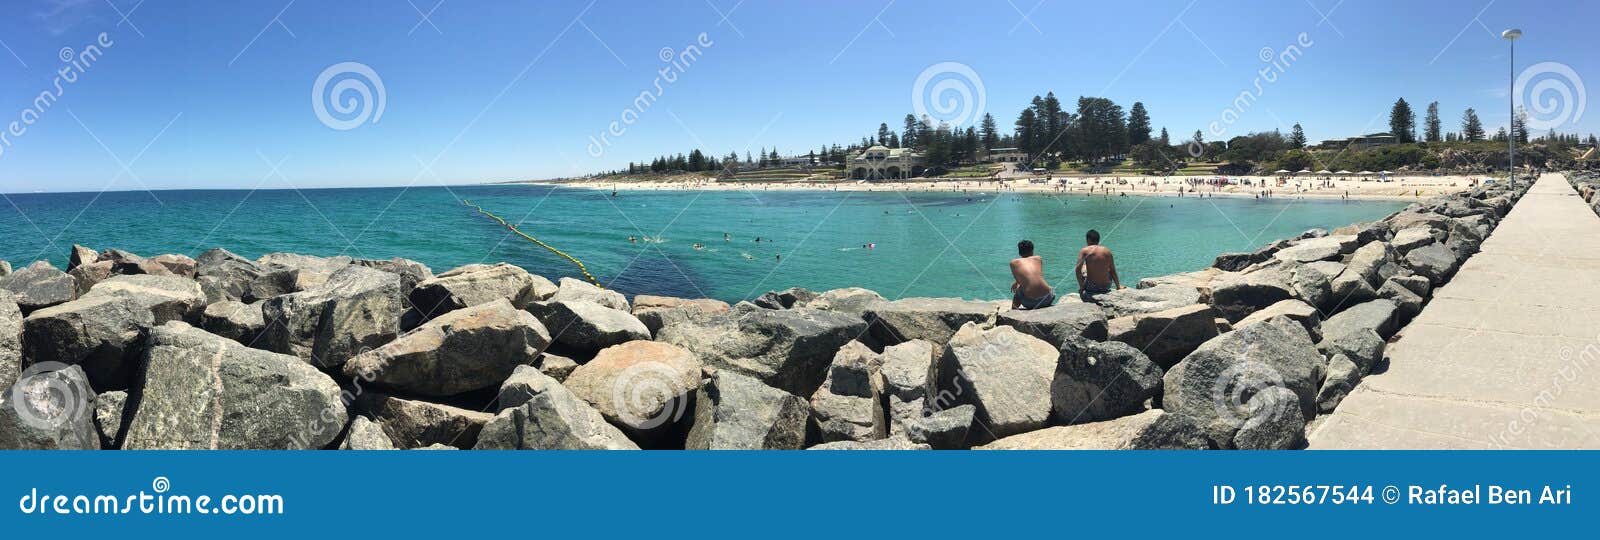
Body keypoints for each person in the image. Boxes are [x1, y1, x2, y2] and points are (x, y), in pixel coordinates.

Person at [1075, 229, 1123, 302]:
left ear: (1088, 240)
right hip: (1106, 287)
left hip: (1092, 288)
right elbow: (1113, 270)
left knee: (1083, 267)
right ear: (1098, 240)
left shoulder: (1084, 251)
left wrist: (1081, 287)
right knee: (1107, 268)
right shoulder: (1107, 251)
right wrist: (1118, 286)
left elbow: (1077, 270)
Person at [1009, 240, 1055, 310]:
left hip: (1030, 303)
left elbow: (1019, 281)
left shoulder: (1013, 263)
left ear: (1019, 252)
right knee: (1049, 287)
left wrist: (1016, 283)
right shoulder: (1038, 258)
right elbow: (1036, 275)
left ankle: (1014, 310)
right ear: (1032, 251)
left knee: (1019, 288)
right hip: (1047, 299)